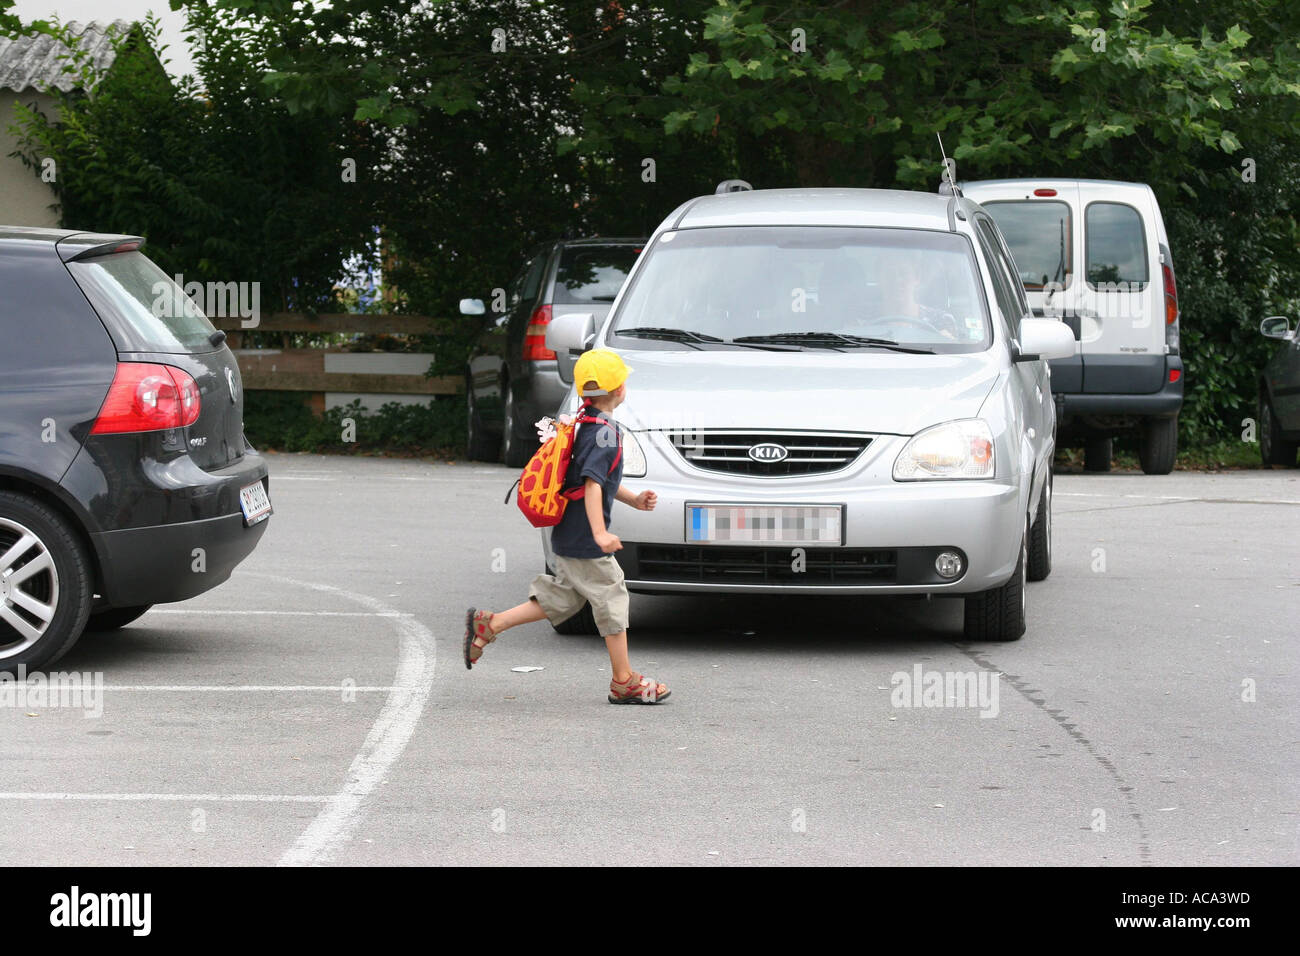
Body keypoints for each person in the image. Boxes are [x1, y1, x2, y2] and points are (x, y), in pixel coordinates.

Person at [463, 349, 671, 704]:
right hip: (585, 539)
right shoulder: (605, 433)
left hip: (568, 533)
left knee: (563, 597)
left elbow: (599, 480)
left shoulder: (583, 423)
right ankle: (624, 681)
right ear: (620, 389)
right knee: (613, 596)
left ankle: (490, 624)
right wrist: (600, 533)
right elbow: (592, 485)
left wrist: (634, 499)